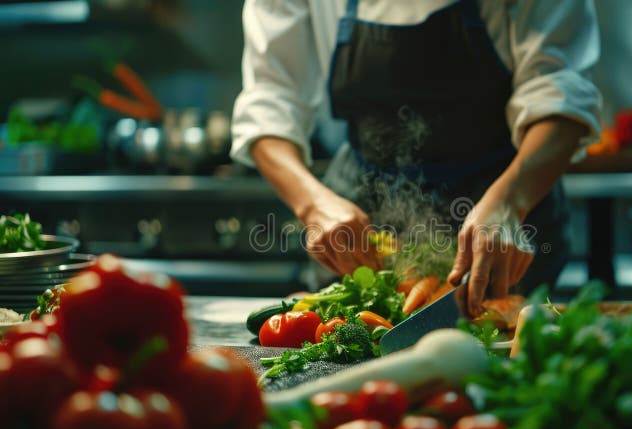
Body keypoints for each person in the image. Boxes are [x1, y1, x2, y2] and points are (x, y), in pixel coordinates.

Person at [231, 0, 601, 317]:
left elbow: (560, 95)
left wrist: (510, 201)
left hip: (501, 219)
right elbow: (269, 101)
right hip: (361, 217)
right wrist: (312, 203)